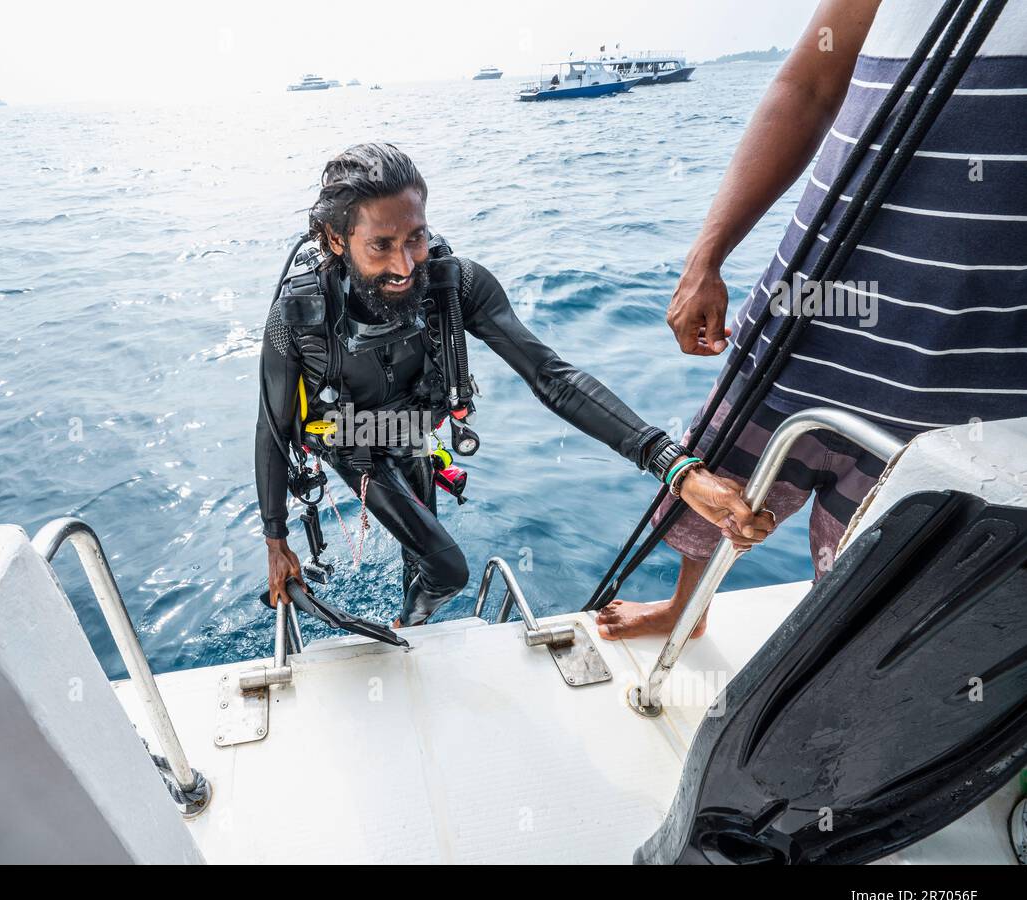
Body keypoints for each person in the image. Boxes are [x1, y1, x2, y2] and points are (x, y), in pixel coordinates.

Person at [596, 0, 1027, 640]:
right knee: (724, 464)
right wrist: (706, 256)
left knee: (890, 551)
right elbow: (807, 85)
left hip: (972, 348)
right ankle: (688, 611)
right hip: (808, 303)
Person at [256, 143, 775, 627]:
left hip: (415, 430)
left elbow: (551, 377)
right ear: (335, 239)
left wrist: (674, 467)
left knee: (425, 564)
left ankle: (411, 621)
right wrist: (276, 540)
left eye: (415, 237)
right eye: (381, 246)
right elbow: (273, 432)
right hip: (350, 439)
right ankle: (406, 627)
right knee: (448, 571)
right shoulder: (297, 317)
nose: (404, 264)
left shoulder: (455, 284)